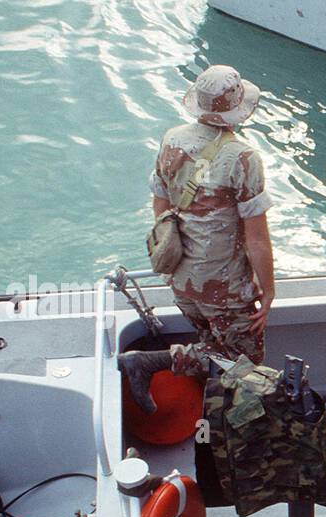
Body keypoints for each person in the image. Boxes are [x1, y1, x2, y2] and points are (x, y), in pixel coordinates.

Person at [121, 64, 276, 414]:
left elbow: (161, 205)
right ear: (237, 108)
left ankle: (208, 399)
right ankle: (154, 365)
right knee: (246, 366)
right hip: (224, 288)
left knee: (213, 343)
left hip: (181, 278)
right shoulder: (243, 157)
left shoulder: (172, 139)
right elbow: (257, 240)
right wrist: (268, 291)